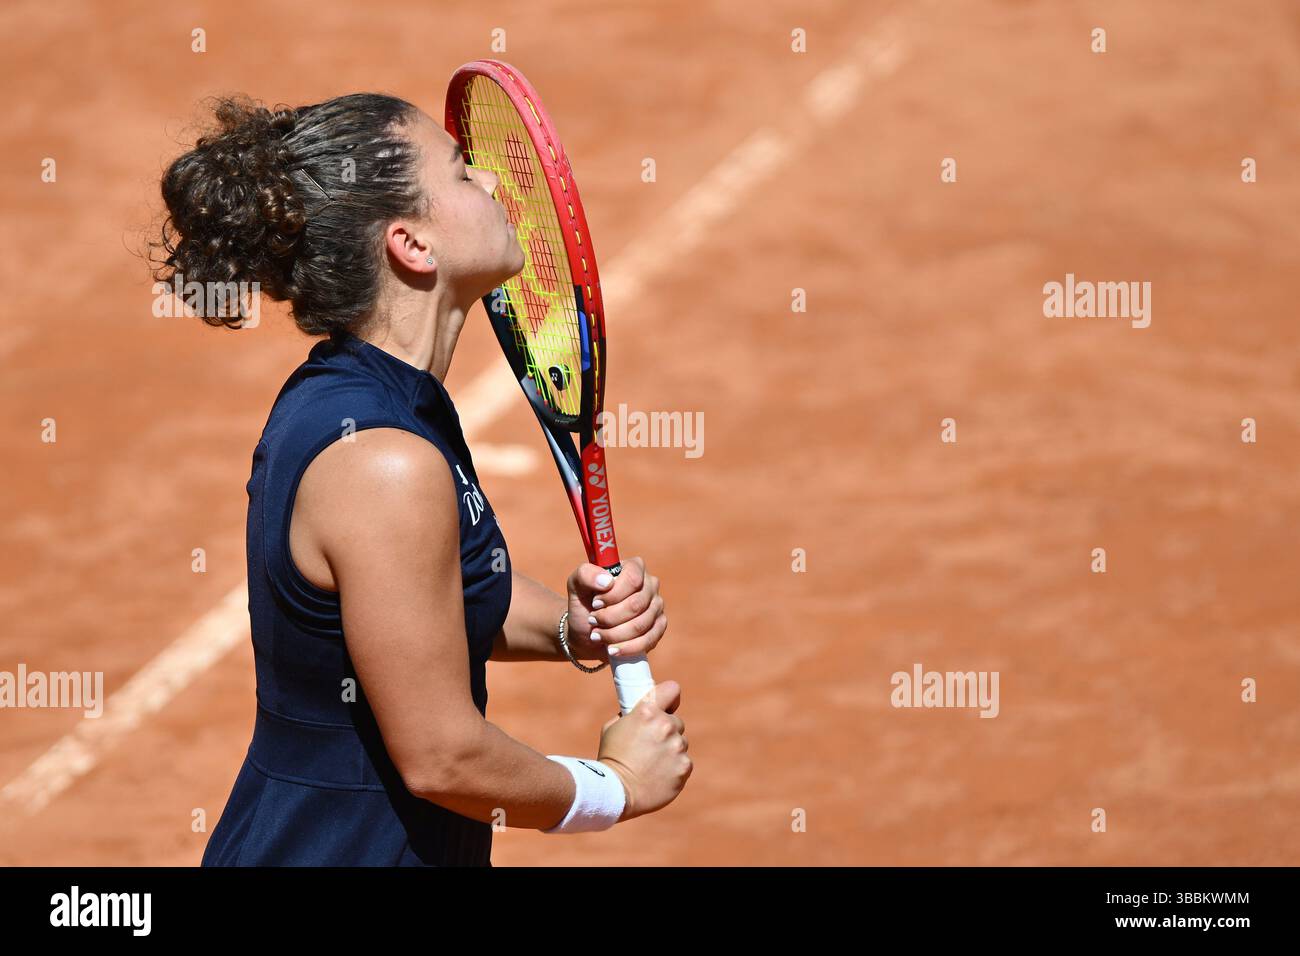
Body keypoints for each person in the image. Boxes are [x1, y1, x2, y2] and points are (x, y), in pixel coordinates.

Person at [150, 92, 691, 865]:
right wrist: (616, 786)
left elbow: (424, 604)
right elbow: (442, 756)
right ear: (412, 245)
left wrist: (574, 629)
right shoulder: (383, 461)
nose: (497, 188)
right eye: (466, 176)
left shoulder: (377, 400)